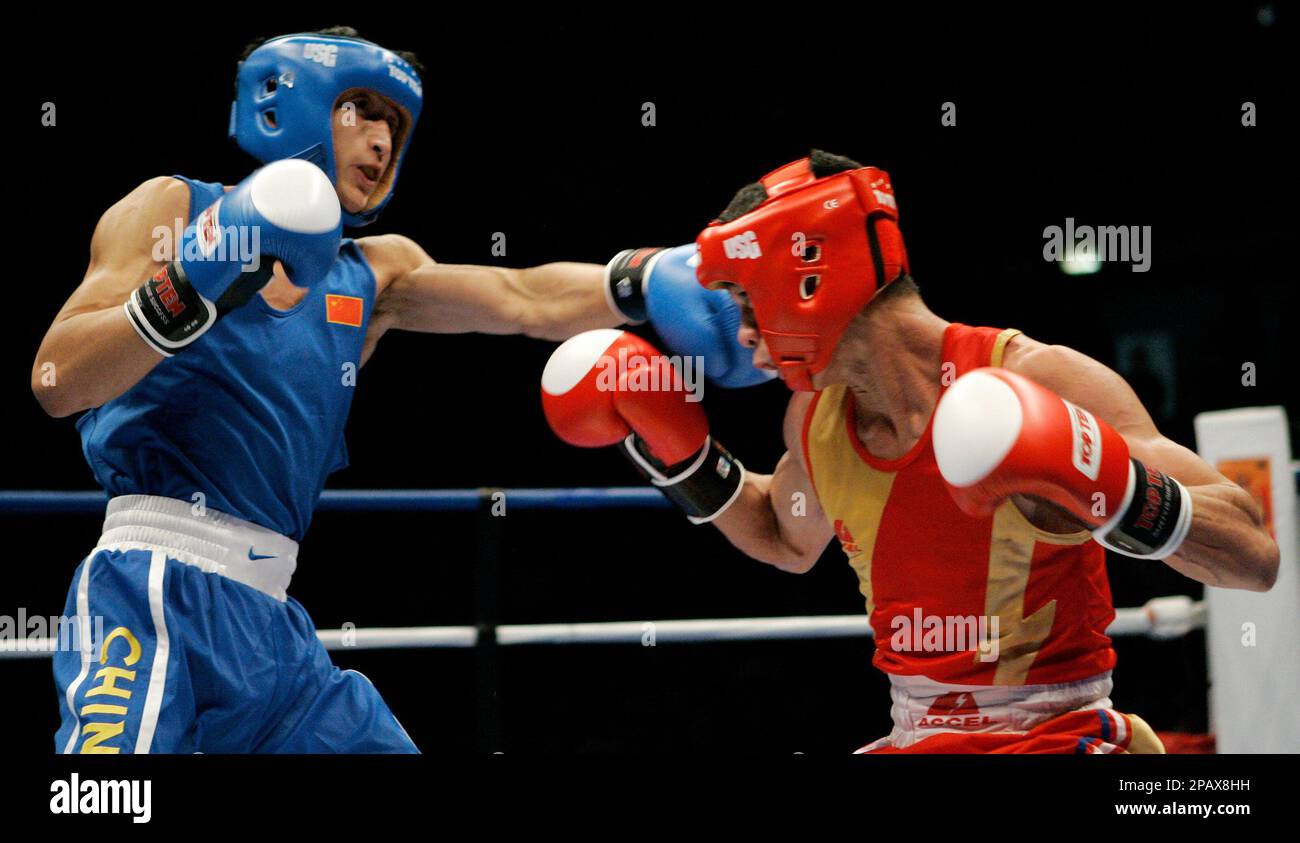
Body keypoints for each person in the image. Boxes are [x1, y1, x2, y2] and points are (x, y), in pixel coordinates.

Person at [30, 27, 754, 754]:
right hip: (154, 584)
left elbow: (521, 296)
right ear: (295, 103)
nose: (380, 140)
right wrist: (193, 281)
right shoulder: (172, 209)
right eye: (361, 111)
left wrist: (643, 281)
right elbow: (56, 380)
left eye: (393, 125)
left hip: (275, 630)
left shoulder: (373, 274)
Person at [542, 150, 1279, 753]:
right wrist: (682, 452)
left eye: (741, 299)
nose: (740, 336)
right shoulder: (815, 418)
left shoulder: (1031, 378)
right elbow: (781, 534)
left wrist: (1114, 485)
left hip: (1053, 737)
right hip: (916, 738)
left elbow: (1252, 549)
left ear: (807, 280)